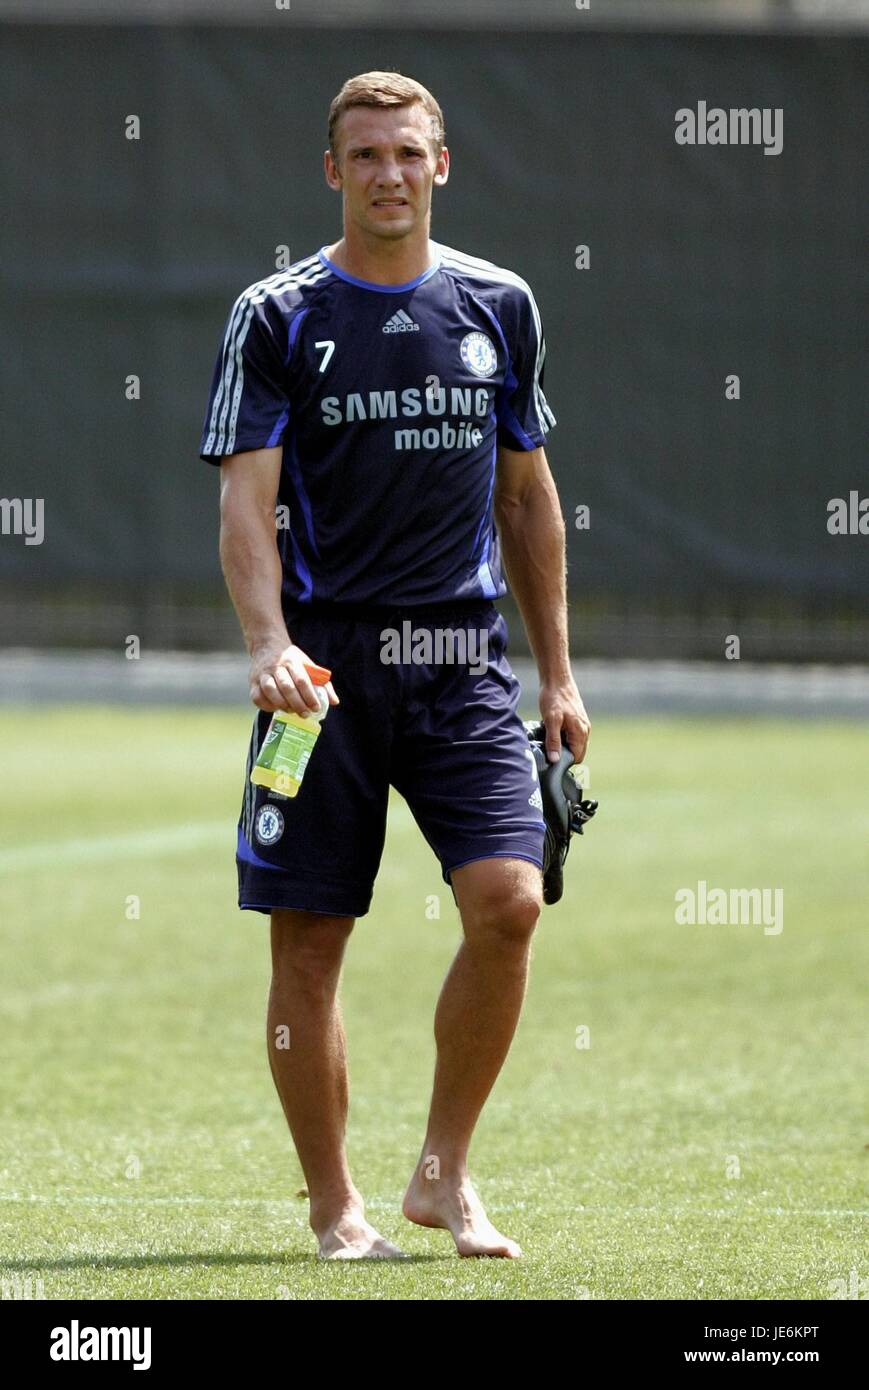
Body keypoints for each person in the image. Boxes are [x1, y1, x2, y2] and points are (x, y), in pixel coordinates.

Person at [199, 70, 591, 1260]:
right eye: (363, 155)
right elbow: (243, 504)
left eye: (406, 153)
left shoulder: (497, 306)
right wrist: (268, 645)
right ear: (332, 171)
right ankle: (335, 1210)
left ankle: (440, 1174)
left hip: (461, 663)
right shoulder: (276, 315)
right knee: (308, 945)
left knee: (510, 904)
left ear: (440, 165)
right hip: (317, 680)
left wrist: (559, 676)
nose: (386, 173)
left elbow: (527, 500)